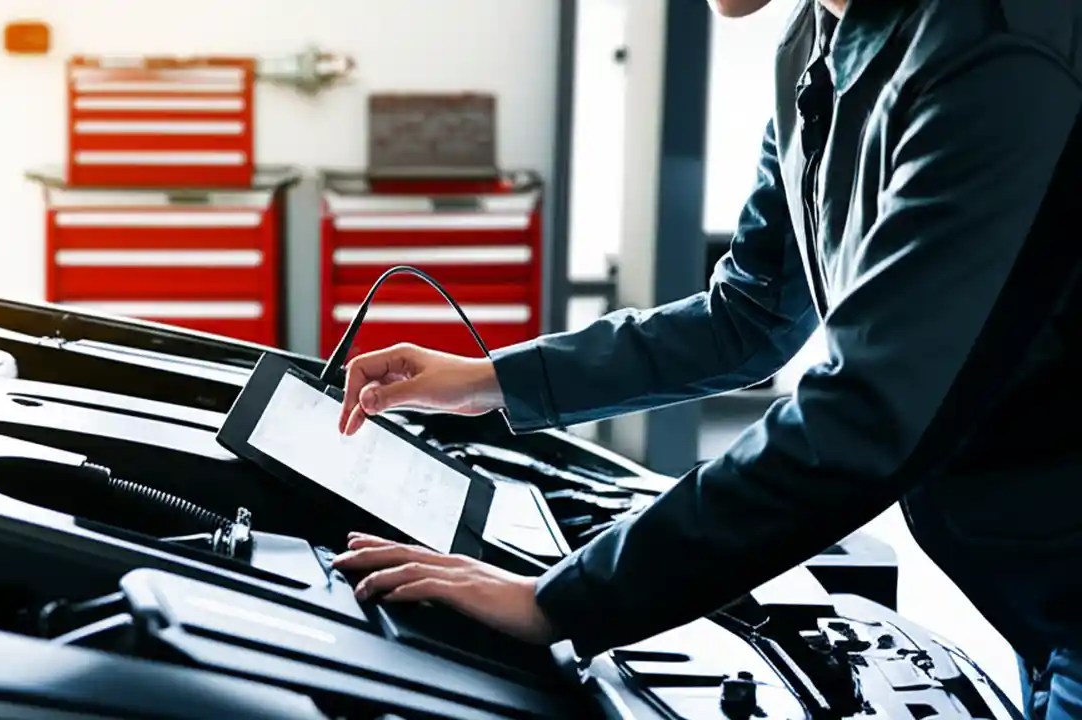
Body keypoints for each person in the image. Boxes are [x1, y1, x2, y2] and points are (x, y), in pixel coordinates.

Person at [332, 0, 1082, 717]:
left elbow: (864, 418)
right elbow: (747, 316)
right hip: (1028, 597)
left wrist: (558, 601)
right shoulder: (814, 41)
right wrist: (492, 380)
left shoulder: (995, 53)